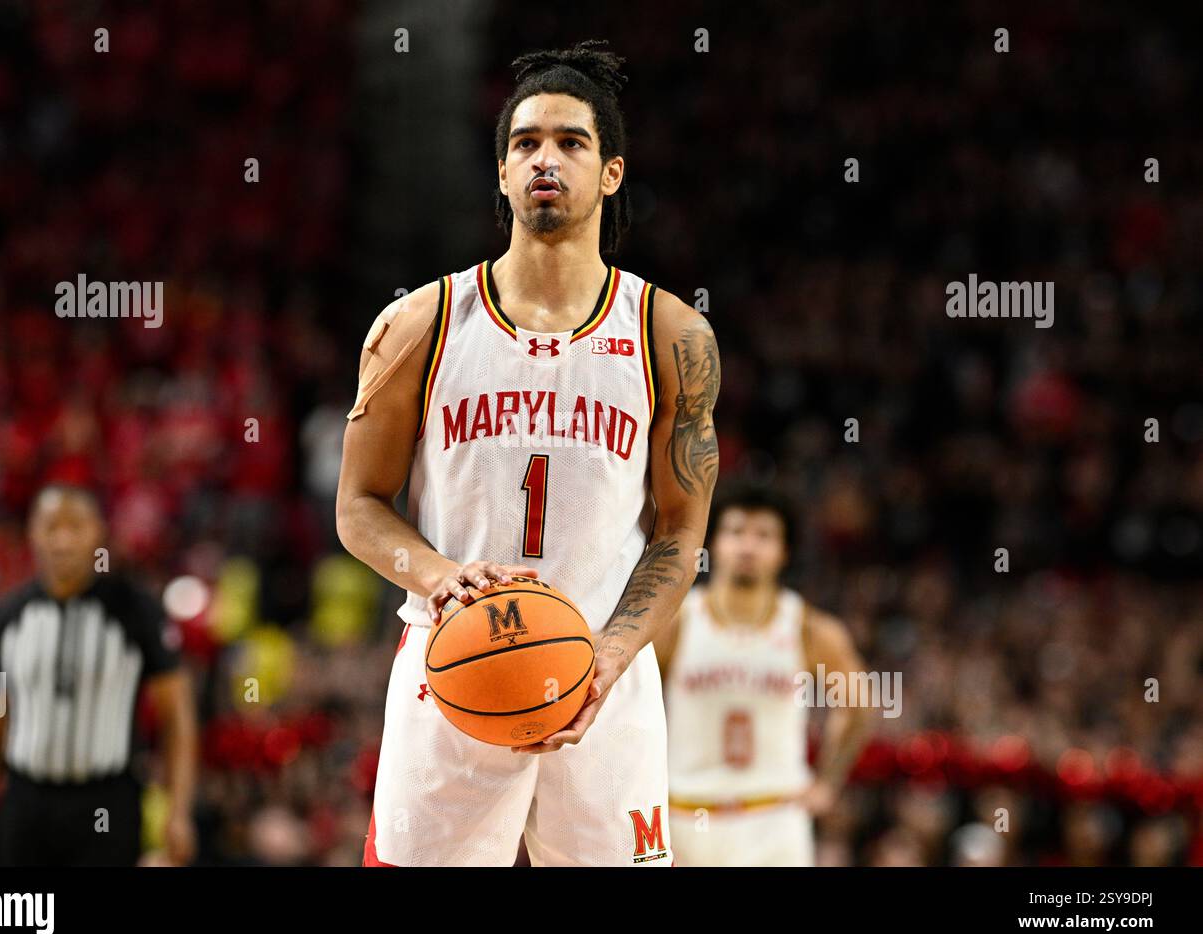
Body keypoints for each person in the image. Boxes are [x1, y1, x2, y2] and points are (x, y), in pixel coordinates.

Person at [336, 40, 720, 866]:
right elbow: (357, 508)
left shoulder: (670, 336)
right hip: (452, 669)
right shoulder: (418, 327)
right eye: (525, 143)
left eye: (572, 142)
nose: (546, 159)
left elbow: (682, 535)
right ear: (503, 175)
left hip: (604, 682)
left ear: (611, 172)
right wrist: (438, 577)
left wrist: (612, 654)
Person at [0, 483, 198, 866]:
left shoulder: (135, 611)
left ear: (97, 532)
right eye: (50, 527)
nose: (62, 540)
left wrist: (178, 811)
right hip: (25, 800)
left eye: (75, 527)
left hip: (106, 802)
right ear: (32, 533)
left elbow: (176, 716)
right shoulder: (8, 616)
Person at [657, 480, 872, 865]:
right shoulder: (676, 621)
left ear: (784, 551)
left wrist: (828, 782)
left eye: (764, 535)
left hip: (775, 818)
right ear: (714, 542)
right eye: (737, 531)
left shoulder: (810, 629)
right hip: (684, 816)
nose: (748, 546)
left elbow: (857, 706)